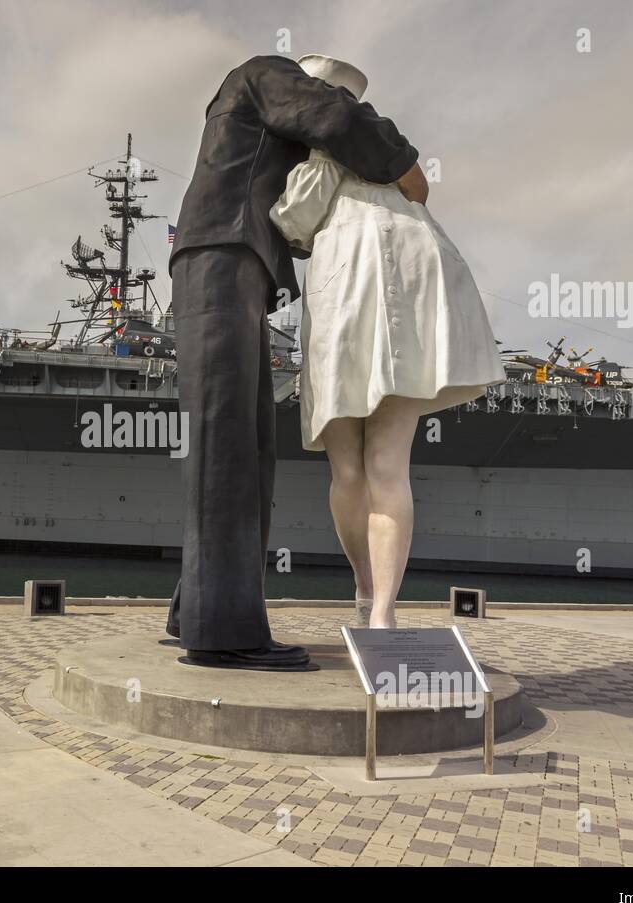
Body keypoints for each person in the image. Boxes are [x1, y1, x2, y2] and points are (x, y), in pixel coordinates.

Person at [166, 54, 423, 671]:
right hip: (223, 257)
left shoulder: (261, 128)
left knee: (246, 450)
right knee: (227, 446)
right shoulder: (265, 74)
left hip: (240, 264)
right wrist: (406, 167)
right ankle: (224, 634)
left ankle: (194, 612)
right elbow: (334, 117)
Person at [269, 55, 505, 628]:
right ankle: (383, 613)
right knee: (389, 465)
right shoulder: (392, 146)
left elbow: (294, 222)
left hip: (348, 280)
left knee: (347, 470)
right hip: (420, 268)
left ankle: (361, 587)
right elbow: (420, 189)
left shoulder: (317, 158)